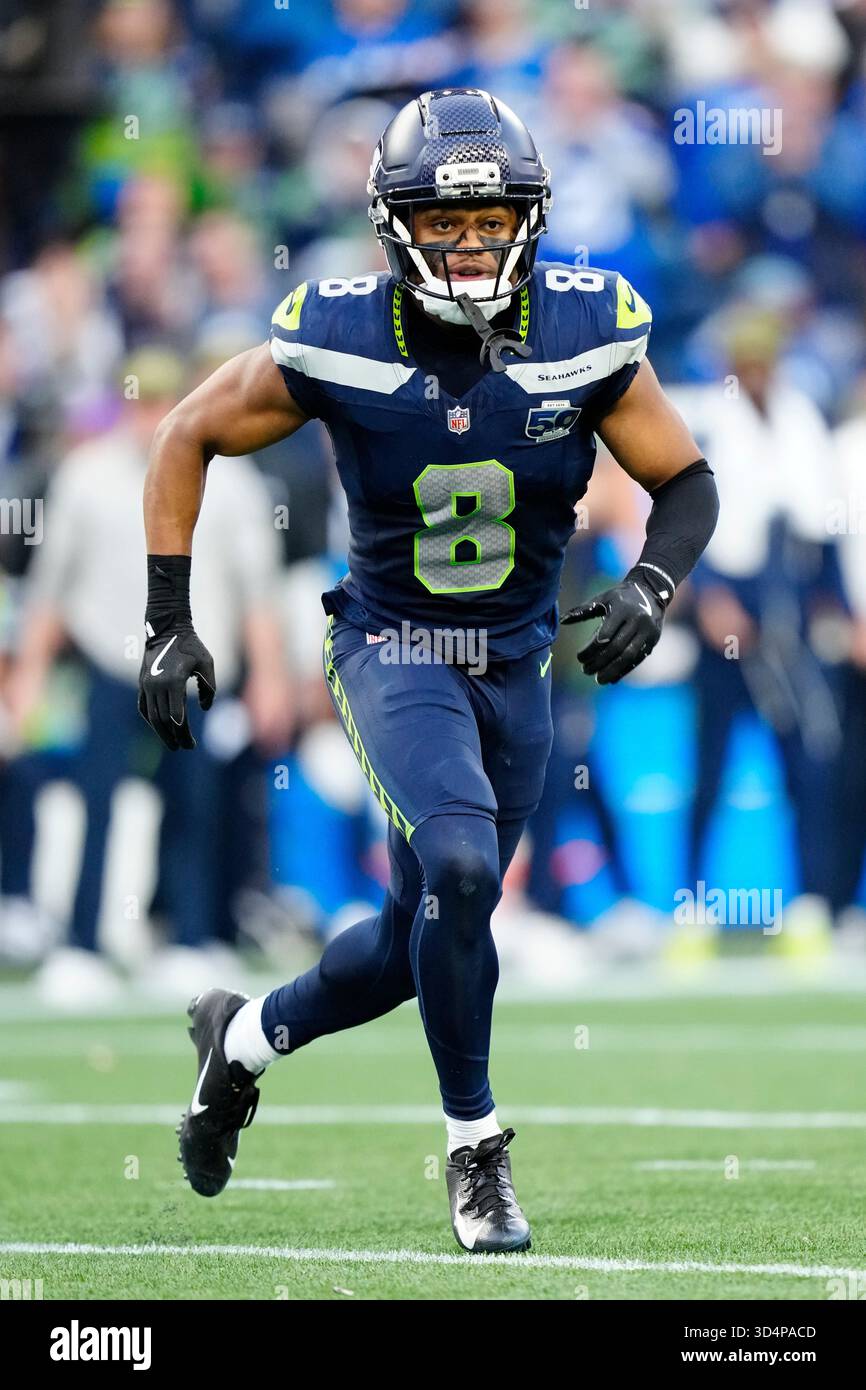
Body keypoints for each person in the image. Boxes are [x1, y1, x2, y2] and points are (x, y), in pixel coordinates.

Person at [138, 89, 718, 1253]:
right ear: (394, 227)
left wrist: (651, 586)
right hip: (393, 646)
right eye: (445, 224)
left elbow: (686, 482)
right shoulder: (339, 334)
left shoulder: (584, 327)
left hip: (515, 667)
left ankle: (238, 1040)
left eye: (491, 218)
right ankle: (475, 1151)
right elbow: (183, 430)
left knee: (423, 935)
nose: (470, 243)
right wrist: (166, 617)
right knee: (458, 865)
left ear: (531, 217)